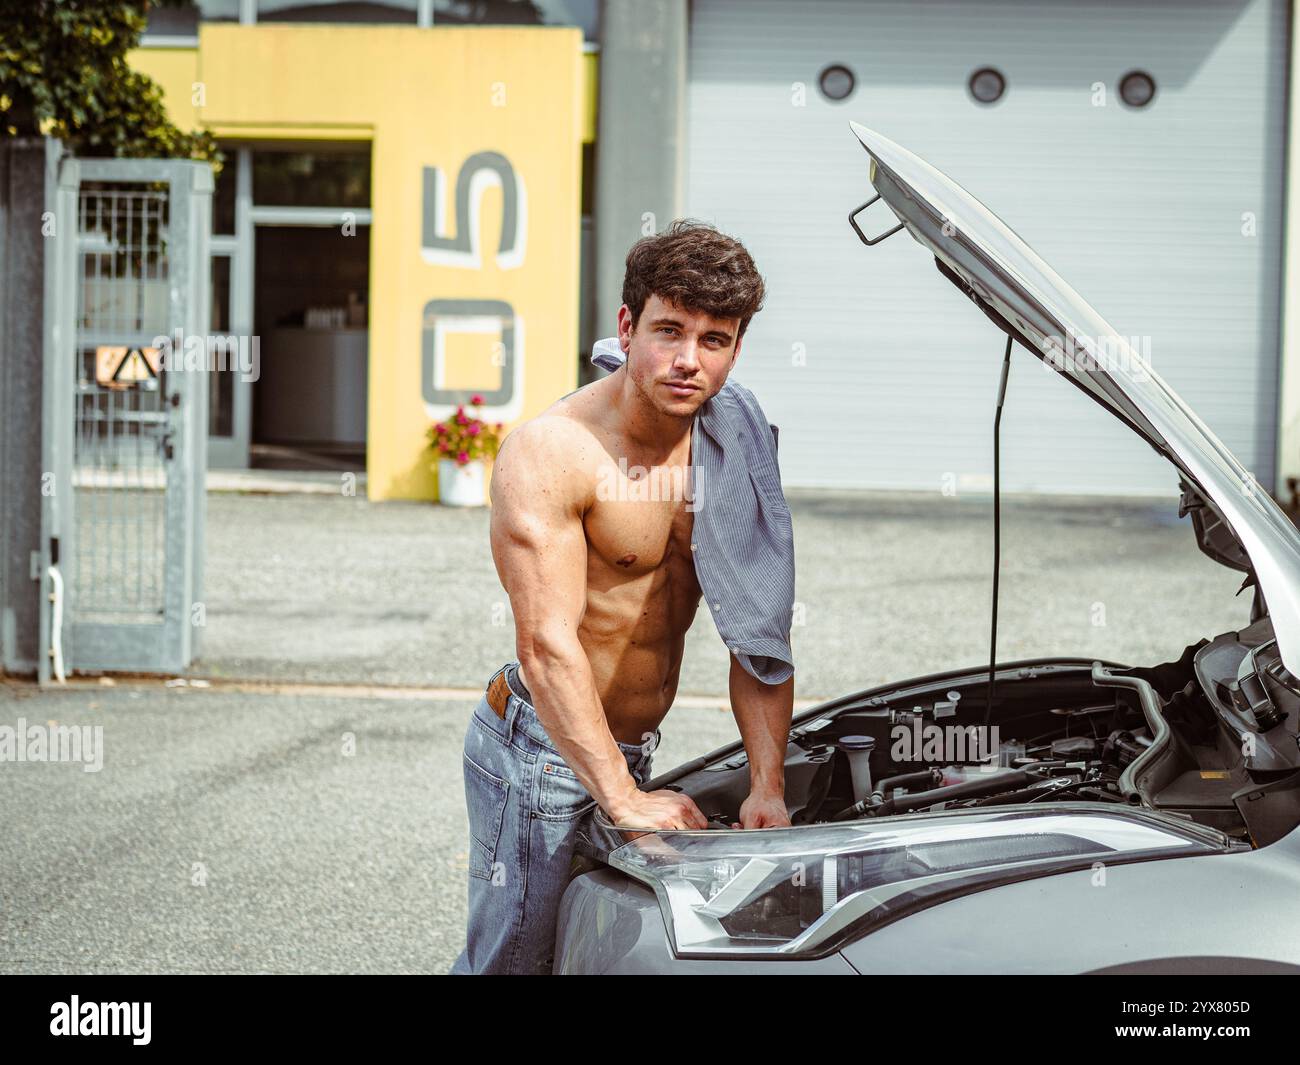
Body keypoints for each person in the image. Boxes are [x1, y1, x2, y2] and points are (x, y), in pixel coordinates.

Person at [451, 220, 796, 975]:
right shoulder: (555, 451)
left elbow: (761, 631)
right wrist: (621, 796)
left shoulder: (734, 442)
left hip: (630, 753)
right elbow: (546, 646)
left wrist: (767, 785)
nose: (687, 360)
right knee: (511, 965)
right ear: (626, 325)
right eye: (669, 331)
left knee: (595, 958)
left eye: (715, 340)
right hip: (539, 750)